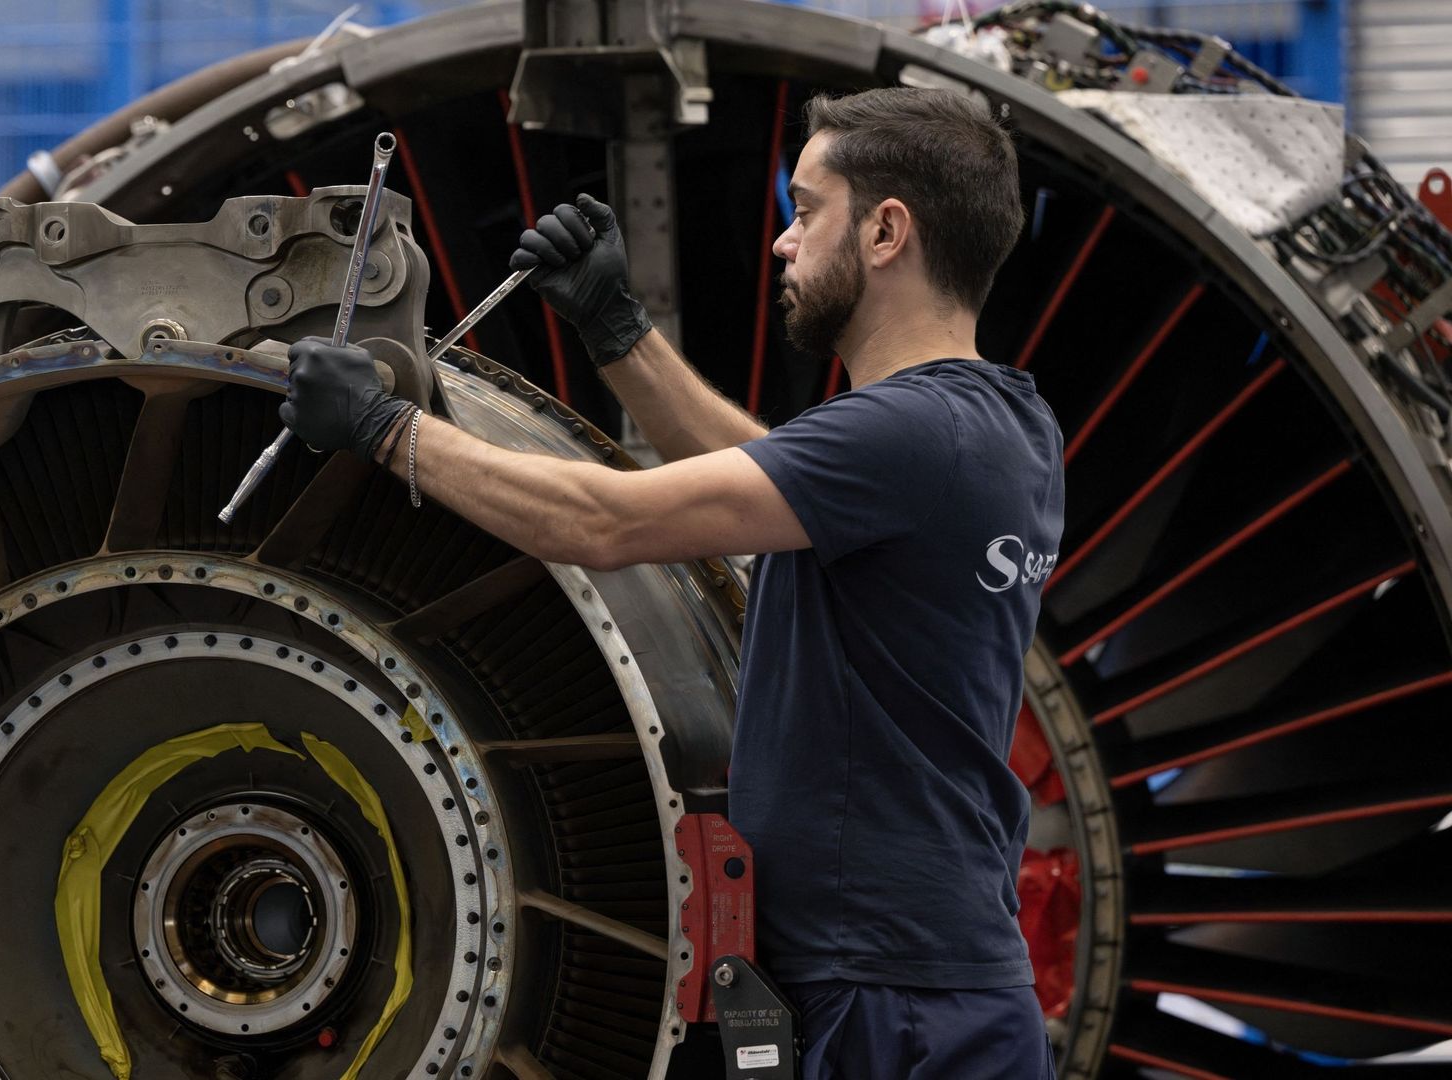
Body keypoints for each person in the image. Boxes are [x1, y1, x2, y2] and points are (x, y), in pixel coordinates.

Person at [280, 86, 1063, 1079]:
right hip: (923, 976)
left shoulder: (905, 436)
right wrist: (618, 331)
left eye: (808, 210)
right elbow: (780, 476)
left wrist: (388, 431)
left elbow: (600, 525)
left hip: (889, 999)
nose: (784, 242)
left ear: (886, 231)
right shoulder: (999, 423)